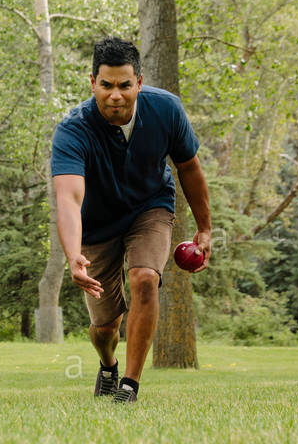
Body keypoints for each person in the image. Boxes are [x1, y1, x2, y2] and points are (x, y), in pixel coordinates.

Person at [51, 37, 212, 404]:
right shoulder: (73, 129)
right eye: (106, 85)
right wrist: (73, 253)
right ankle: (108, 364)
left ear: (139, 82)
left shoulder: (166, 109)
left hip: (149, 207)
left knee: (144, 279)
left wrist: (204, 227)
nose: (116, 95)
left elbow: (189, 168)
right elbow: (68, 197)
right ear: (92, 82)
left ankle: (129, 385)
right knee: (104, 327)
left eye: (125, 85)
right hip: (96, 224)